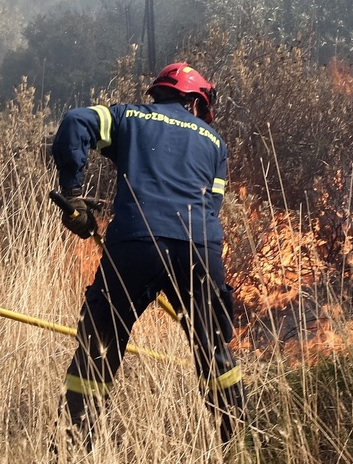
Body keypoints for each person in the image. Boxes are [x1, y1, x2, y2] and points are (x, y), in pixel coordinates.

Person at [51, 62, 246, 448]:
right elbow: (214, 204)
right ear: (195, 103)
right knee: (213, 350)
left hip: (136, 242)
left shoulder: (129, 118)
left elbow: (75, 122)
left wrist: (73, 194)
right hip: (200, 248)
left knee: (100, 341)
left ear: (158, 94)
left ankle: (73, 445)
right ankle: (239, 444)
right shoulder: (214, 142)